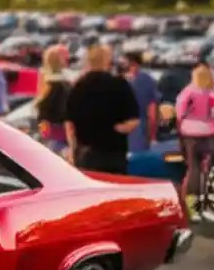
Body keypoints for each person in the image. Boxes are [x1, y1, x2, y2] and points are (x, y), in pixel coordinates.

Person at [66, 45, 140, 174]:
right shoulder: (119, 84)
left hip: (86, 154)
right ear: (108, 61)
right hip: (114, 153)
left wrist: (72, 151)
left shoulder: (78, 86)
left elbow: (70, 124)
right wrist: (117, 129)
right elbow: (133, 120)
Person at [175, 65, 214, 208]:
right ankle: (207, 199)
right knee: (208, 168)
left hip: (190, 133)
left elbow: (180, 112)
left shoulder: (188, 91)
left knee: (192, 168)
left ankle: (189, 202)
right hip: (210, 133)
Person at [34, 47, 71, 155]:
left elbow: (41, 116)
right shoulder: (64, 84)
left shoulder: (46, 83)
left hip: (50, 135)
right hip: (62, 136)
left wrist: (43, 133)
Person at [122, 50, 159, 153]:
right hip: (139, 130)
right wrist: (152, 137)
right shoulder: (148, 81)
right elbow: (152, 113)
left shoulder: (116, 81)